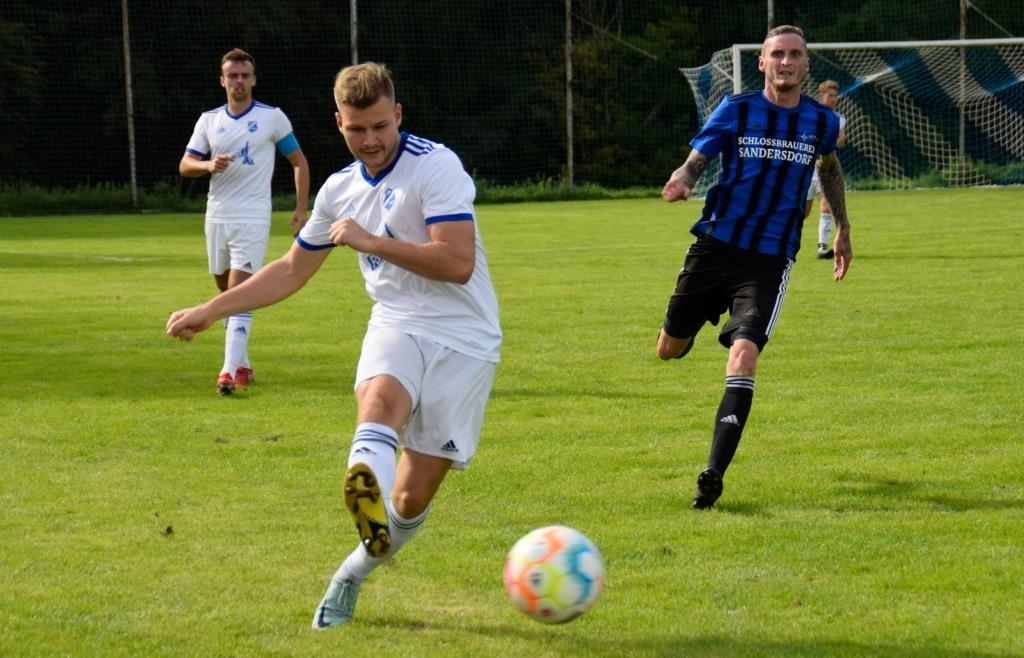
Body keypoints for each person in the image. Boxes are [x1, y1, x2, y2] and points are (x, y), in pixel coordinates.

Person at [166, 62, 502, 629]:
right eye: (355, 130)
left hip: (464, 335)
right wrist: (210, 310)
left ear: (397, 115)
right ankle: (362, 489)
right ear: (338, 125)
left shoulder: (435, 165)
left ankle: (350, 574)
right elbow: (292, 270)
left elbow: (457, 262)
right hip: (396, 319)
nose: (369, 141)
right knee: (378, 404)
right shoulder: (338, 190)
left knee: (413, 500)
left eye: (379, 127)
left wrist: (370, 241)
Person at [657, 25, 852, 509]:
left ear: (806, 66)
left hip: (768, 260)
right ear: (763, 63)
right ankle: (694, 326)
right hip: (715, 246)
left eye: (795, 55)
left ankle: (712, 476)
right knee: (667, 349)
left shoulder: (820, 121)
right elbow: (697, 161)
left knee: (744, 355)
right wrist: (681, 180)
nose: (786, 62)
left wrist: (844, 227)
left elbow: (827, 168)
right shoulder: (737, 109)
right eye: (777, 55)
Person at [179, 47, 310, 396]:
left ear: (253, 79)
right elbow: (185, 164)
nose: (239, 82)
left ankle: (227, 372)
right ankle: (243, 363)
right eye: (232, 76)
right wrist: (208, 165)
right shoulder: (209, 120)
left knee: (239, 293)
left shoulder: (272, 117)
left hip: (252, 216)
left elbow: (299, 161)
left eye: (245, 76)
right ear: (222, 81)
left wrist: (301, 208)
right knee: (225, 292)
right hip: (217, 215)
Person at [804, 79, 848, 258]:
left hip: (826, 168)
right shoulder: (811, 114)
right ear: (821, 96)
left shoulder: (839, 118)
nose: (833, 99)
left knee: (826, 205)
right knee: (803, 212)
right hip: (807, 169)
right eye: (829, 95)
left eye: (835, 96)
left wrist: (830, 144)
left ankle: (822, 247)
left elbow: (841, 139)